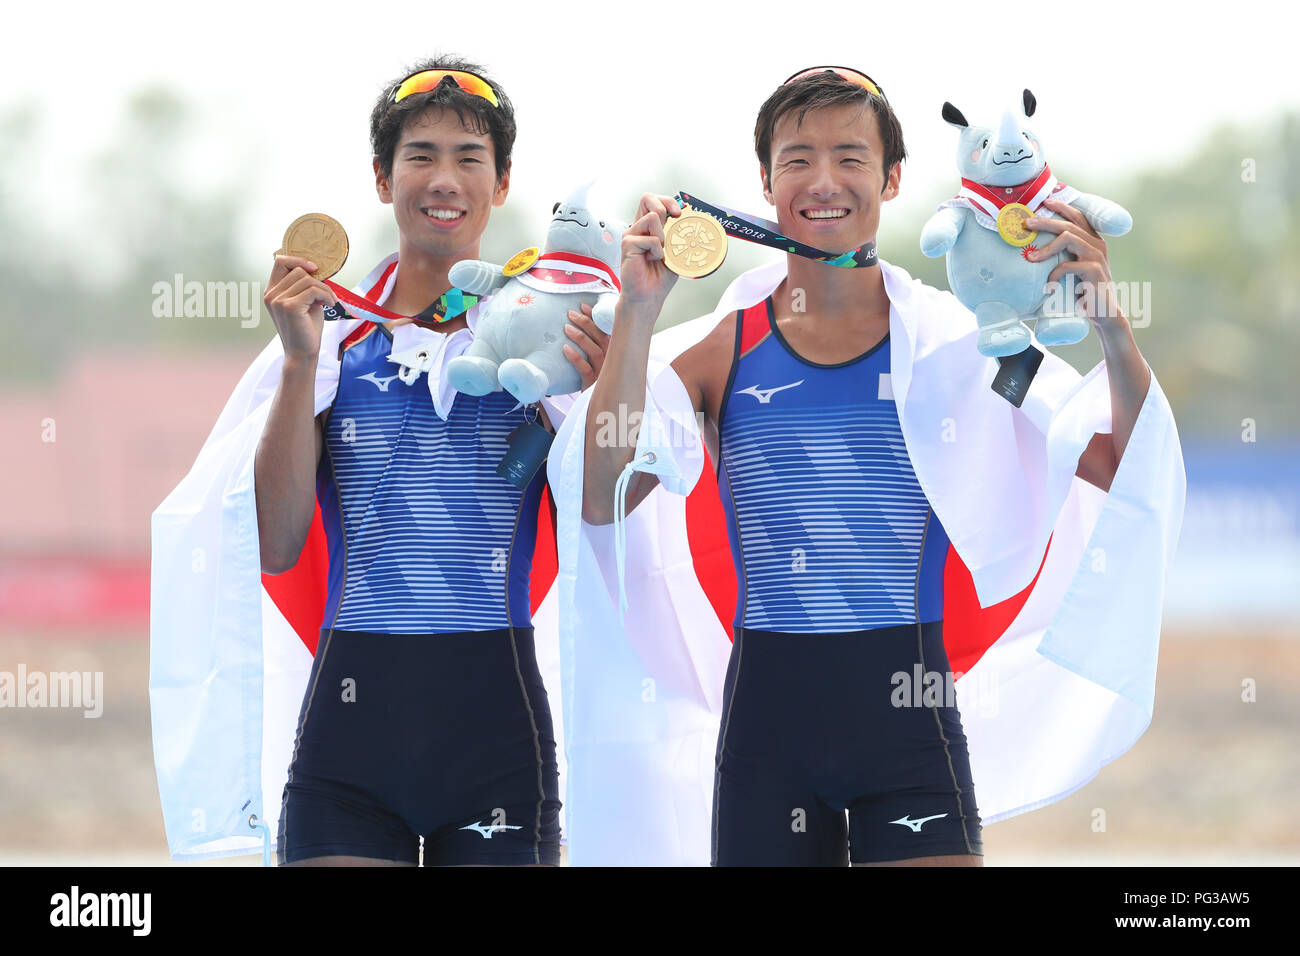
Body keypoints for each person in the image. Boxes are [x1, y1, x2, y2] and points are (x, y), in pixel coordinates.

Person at [576, 66, 1170, 866]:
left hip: (910, 736)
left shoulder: (959, 348)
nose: (824, 181)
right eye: (798, 159)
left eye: (850, 157)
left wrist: (1111, 327)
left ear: (892, 179)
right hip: (766, 744)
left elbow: (1125, 467)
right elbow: (601, 495)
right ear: (766, 182)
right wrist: (640, 313)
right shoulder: (725, 348)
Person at [255, 56, 609, 866]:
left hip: (497, 741)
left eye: (468, 157)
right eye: (420, 155)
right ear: (383, 179)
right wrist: (298, 363)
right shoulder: (332, 339)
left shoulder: (549, 341)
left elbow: (605, 505)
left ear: (502, 182)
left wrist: (607, 375)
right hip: (346, 745)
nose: (444, 179)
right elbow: (276, 545)